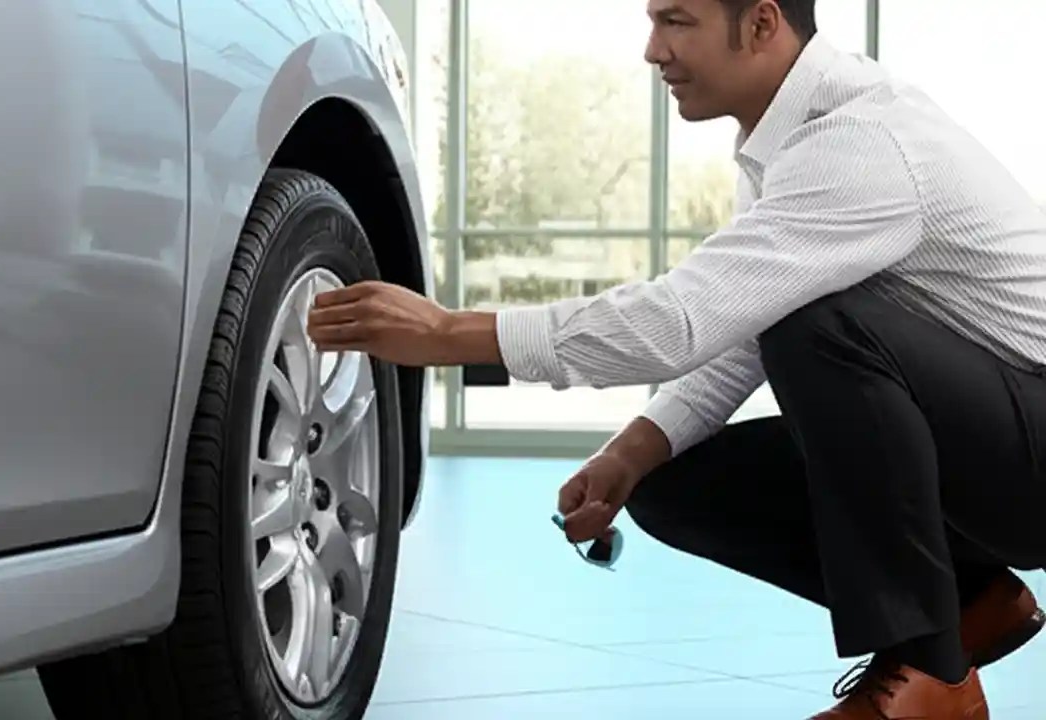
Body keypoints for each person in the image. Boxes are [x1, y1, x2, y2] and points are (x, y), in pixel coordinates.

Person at [306, 0, 1046, 717]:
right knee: (669, 481)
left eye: (676, 22)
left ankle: (931, 678)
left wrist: (449, 334)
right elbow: (743, 329)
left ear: (760, 23)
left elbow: (684, 318)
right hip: (993, 443)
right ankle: (973, 602)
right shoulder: (785, 149)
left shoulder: (858, 142)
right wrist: (630, 455)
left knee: (821, 325)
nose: (653, 49)